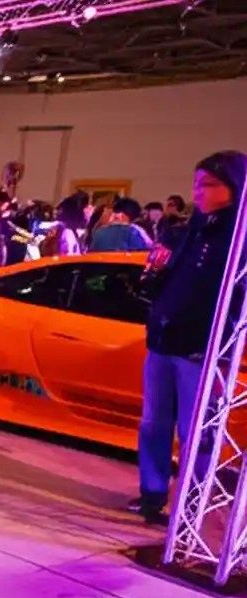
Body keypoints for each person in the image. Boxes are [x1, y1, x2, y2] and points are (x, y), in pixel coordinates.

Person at [134, 150, 247, 526]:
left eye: (209, 184)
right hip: (163, 340)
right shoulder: (187, 231)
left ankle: (191, 501)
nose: (199, 191)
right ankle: (152, 495)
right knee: (153, 422)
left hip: (202, 350)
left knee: (196, 429)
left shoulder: (238, 240)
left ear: (234, 187)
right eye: (197, 183)